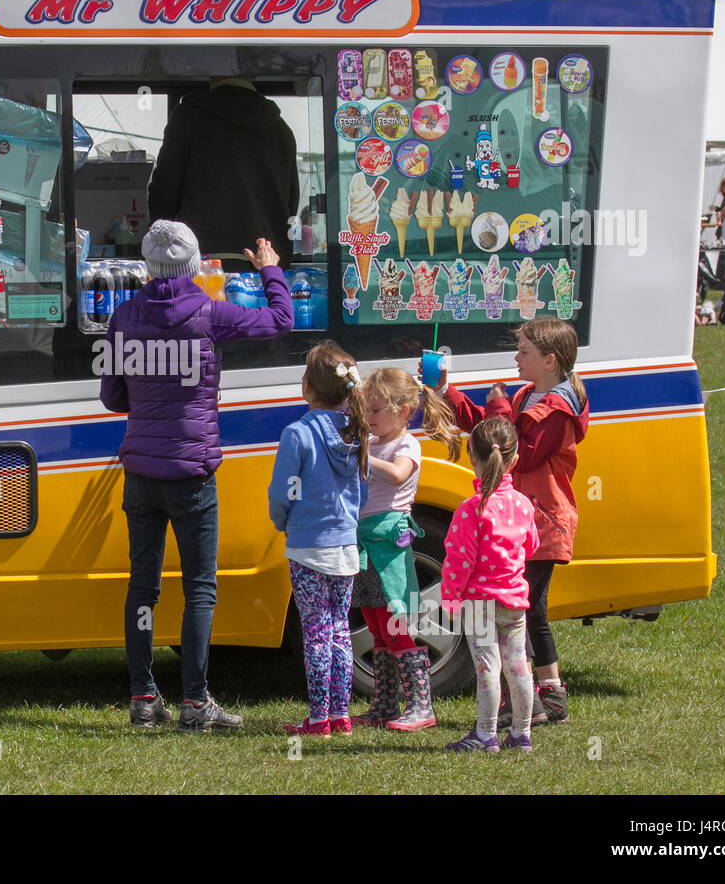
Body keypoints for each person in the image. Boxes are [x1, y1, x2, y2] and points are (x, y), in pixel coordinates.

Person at [100, 219, 292, 731]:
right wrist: (271, 270)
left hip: (140, 469)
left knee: (143, 586)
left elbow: (113, 397)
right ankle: (194, 702)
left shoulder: (123, 317)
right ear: (193, 265)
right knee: (199, 587)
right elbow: (280, 320)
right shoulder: (210, 313)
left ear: (148, 265)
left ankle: (143, 699)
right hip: (191, 471)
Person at [437, 317, 588, 727]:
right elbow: (492, 434)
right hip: (525, 522)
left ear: (550, 361)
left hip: (542, 522)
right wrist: (445, 392)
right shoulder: (527, 396)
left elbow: (524, 450)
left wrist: (501, 408)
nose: (516, 357)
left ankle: (525, 702)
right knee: (533, 609)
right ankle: (548, 697)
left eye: (523, 351)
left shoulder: (557, 408)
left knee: (517, 609)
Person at [352, 367, 462, 731]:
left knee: (396, 623)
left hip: (388, 546)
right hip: (364, 541)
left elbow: (398, 475)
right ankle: (384, 704)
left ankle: (421, 706)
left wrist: (364, 455)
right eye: (366, 410)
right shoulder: (373, 439)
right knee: (374, 621)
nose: (368, 417)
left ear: (402, 411)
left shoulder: (405, 445)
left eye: (376, 410)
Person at [268, 341, 367, 737]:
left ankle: (319, 717)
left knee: (315, 631)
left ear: (307, 387)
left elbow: (283, 490)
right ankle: (342, 714)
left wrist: (282, 520)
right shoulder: (356, 432)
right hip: (345, 546)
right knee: (340, 628)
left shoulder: (297, 434)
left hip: (308, 546)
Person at [440, 417, 539, 753]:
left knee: (488, 668)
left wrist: (451, 598)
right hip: (513, 601)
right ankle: (521, 734)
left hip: (479, 604)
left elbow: (459, 561)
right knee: (517, 666)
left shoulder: (471, 510)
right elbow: (532, 546)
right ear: (514, 460)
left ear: (473, 459)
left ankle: (485, 735)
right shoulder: (523, 505)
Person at [148, 77, 299, 269]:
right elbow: (290, 205)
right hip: (263, 262)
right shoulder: (281, 131)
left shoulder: (189, 117)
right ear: (252, 75)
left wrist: (159, 245)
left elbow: (164, 191)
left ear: (211, 72)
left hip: (200, 262)